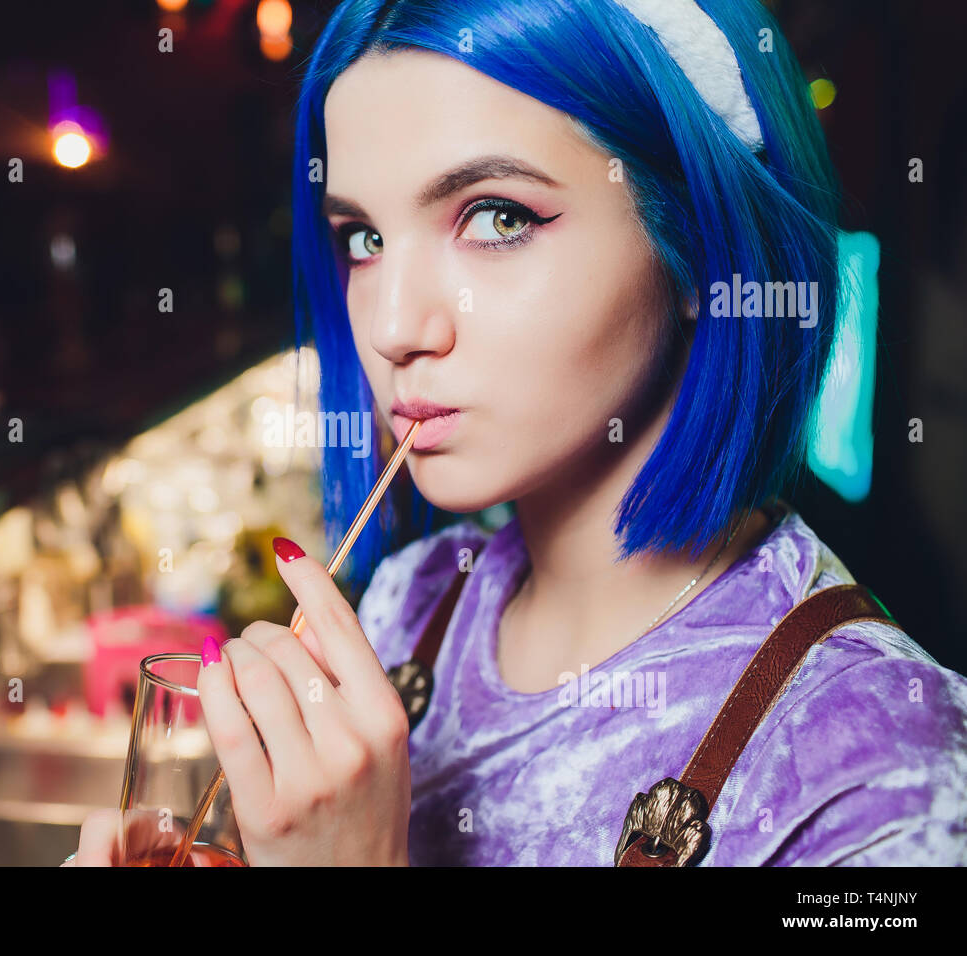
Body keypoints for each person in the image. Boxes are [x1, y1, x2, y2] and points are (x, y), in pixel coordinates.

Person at [67, 0, 967, 866]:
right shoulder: (409, 611)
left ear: (701, 247)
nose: (391, 327)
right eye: (365, 239)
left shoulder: (887, 774)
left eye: (497, 218)